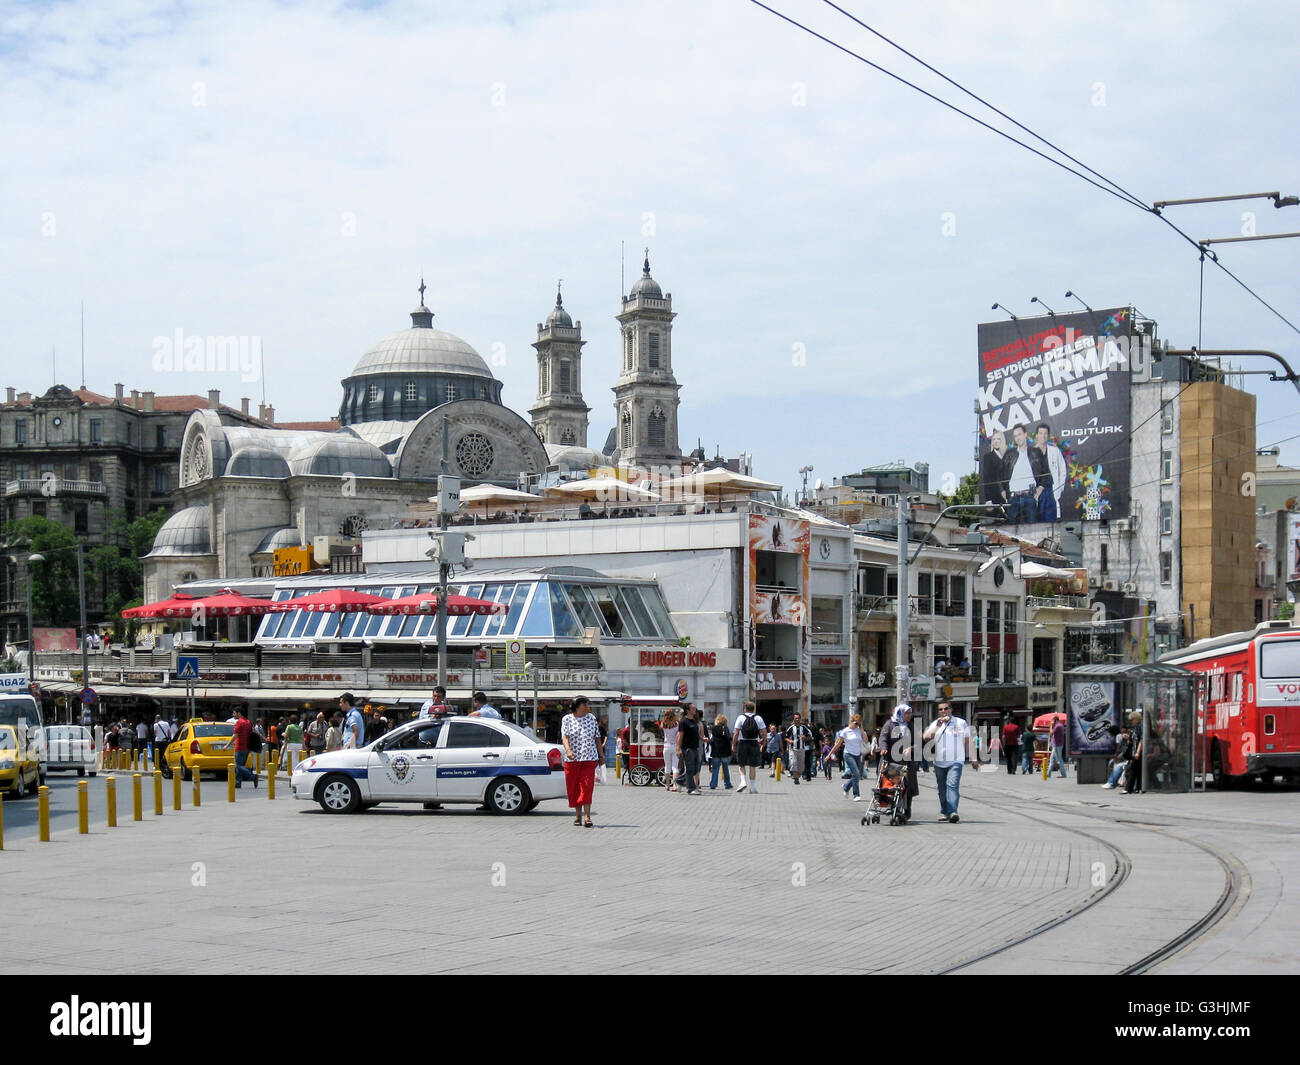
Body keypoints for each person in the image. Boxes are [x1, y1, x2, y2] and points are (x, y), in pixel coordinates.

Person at [924, 700, 975, 823]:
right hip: (939, 762)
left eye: (946, 708)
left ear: (951, 710)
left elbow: (969, 741)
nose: (943, 711)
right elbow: (926, 737)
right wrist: (938, 725)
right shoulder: (936, 723)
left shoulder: (961, 723)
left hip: (956, 761)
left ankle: (953, 812)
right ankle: (944, 811)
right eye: (940, 709)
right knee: (942, 788)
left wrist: (974, 758)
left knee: (952, 785)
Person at [561, 695, 604, 827]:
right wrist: (568, 750)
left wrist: (601, 756)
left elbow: (597, 738)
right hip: (572, 760)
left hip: (589, 758)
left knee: (587, 786)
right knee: (573, 788)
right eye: (584, 705)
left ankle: (587, 817)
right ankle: (578, 816)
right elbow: (565, 737)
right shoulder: (567, 719)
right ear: (576, 706)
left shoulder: (591, 718)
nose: (586, 707)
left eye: (587, 705)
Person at [1005, 423, 1052, 524]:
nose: (1018, 438)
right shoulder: (1010, 454)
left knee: (1032, 530)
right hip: (1013, 498)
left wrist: (1040, 489)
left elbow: (1046, 473)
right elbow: (1001, 475)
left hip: (1029, 497)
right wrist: (1004, 494)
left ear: (1025, 434)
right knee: (1011, 531)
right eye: (1015, 436)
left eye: (1020, 434)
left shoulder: (1035, 452)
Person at [878, 704, 917, 820]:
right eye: (907, 713)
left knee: (907, 786)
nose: (909, 715)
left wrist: (911, 748)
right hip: (891, 760)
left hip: (907, 762)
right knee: (892, 785)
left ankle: (907, 809)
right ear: (900, 713)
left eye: (910, 713)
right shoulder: (890, 724)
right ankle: (893, 806)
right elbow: (883, 737)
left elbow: (918, 742)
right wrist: (883, 748)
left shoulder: (911, 726)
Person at [1035, 423, 1067, 522]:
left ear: (1048, 436)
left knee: (1051, 522)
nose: (1043, 436)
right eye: (1040, 433)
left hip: (1051, 490)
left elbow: (1063, 471)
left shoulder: (1055, 451)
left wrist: (1059, 489)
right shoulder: (1031, 452)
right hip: (1037, 492)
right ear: (1036, 435)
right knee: (1037, 521)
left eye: (1045, 433)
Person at [830, 714, 867, 801]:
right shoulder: (845, 731)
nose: (857, 725)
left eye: (859, 724)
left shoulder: (859, 731)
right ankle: (856, 794)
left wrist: (861, 729)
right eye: (856, 723)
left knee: (857, 775)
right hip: (848, 754)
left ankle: (846, 787)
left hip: (857, 754)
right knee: (857, 773)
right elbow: (838, 744)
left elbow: (865, 740)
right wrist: (830, 754)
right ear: (851, 721)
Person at [733, 701, 765, 793]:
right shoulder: (758, 718)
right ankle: (753, 787)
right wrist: (763, 742)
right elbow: (764, 731)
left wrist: (733, 744)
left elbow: (736, 733)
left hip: (743, 743)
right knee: (752, 765)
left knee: (741, 764)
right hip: (754, 743)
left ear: (745, 708)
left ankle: (743, 782)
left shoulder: (741, 717)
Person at [677, 704, 703, 795]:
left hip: (695, 747)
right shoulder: (683, 722)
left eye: (695, 708)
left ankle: (680, 780)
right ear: (687, 710)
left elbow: (696, 734)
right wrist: (678, 749)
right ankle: (690, 788)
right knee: (690, 768)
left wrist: (702, 738)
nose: (695, 710)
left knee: (696, 769)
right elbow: (680, 735)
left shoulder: (694, 720)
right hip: (687, 748)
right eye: (693, 708)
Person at [980, 429, 1010, 507]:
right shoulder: (988, 457)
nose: (996, 441)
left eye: (998, 439)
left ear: (1002, 440)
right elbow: (986, 478)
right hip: (994, 497)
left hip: (1009, 496)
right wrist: (988, 500)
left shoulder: (1008, 456)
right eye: (994, 439)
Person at [231, 706, 258, 789]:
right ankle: (238, 783)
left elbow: (235, 735)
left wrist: (227, 745)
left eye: (234, 713)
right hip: (247, 747)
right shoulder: (248, 722)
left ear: (239, 713)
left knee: (238, 765)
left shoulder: (239, 722)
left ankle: (252, 776)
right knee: (241, 765)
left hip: (240, 747)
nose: (233, 714)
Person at [783, 712, 813, 785]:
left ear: (800, 719)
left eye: (798, 718)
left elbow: (810, 737)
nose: (797, 719)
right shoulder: (790, 728)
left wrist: (805, 738)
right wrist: (789, 741)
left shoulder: (804, 728)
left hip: (802, 749)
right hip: (793, 749)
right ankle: (796, 778)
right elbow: (785, 737)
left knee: (801, 765)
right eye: (795, 718)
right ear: (793, 719)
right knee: (793, 763)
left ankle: (797, 776)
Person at [708, 712, 733, 790]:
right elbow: (729, 738)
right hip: (725, 751)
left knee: (715, 768)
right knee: (725, 768)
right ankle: (727, 784)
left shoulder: (714, 728)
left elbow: (712, 740)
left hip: (716, 751)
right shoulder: (725, 728)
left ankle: (713, 784)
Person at [660, 709, 679, 792]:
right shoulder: (677, 724)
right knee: (675, 766)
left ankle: (667, 785)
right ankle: (675, 785)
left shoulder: (663, 724)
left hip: (666, 745)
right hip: (675, 745)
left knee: (667, 766)